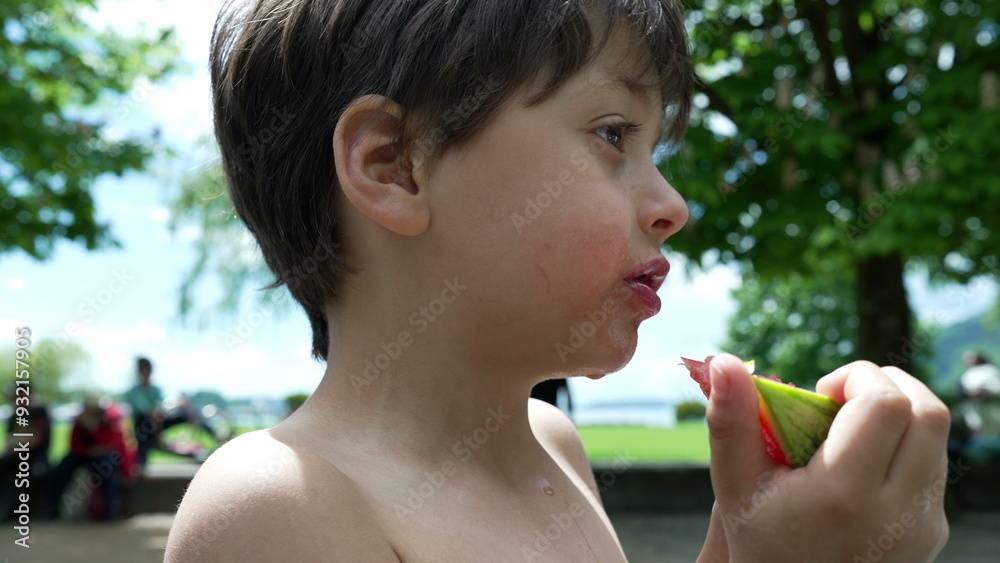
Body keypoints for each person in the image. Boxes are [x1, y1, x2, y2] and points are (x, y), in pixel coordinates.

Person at [166, 2, 950, 560]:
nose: (672, 204)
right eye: (614, 135)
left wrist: (752, 537)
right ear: (394, 165)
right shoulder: (280, 504)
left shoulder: (556, 446)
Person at [42, 395, 131, 521]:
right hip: (85, 454)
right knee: (64, 465)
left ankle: (112, 509)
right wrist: (89, 451)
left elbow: (113, 444)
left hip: (104, 456)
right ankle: (50, 507)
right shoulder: (79, 421)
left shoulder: (111, 420)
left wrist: (93, 430)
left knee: (107, 467)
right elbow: (74, 445)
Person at [125, 357, 225, 468]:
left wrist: (183, 408)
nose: (147, 372)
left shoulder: (156, 389)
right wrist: (157, 434)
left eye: (148, 369)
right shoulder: (134, 392)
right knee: (143, 437)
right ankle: (140, 465)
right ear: (139, 371)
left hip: (159, 421)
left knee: (187, 413)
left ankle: (216, 436)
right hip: (144, 426)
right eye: (144, 369)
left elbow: (162, 409)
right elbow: (150, 412)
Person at [0, 383, 51, 520]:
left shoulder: (39, 413)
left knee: (28, 474)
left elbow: (37, 440)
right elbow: (9, 441)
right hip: (15, 455)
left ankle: (9, 511)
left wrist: (18, 441)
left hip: (36, 457)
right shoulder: (14, 415)